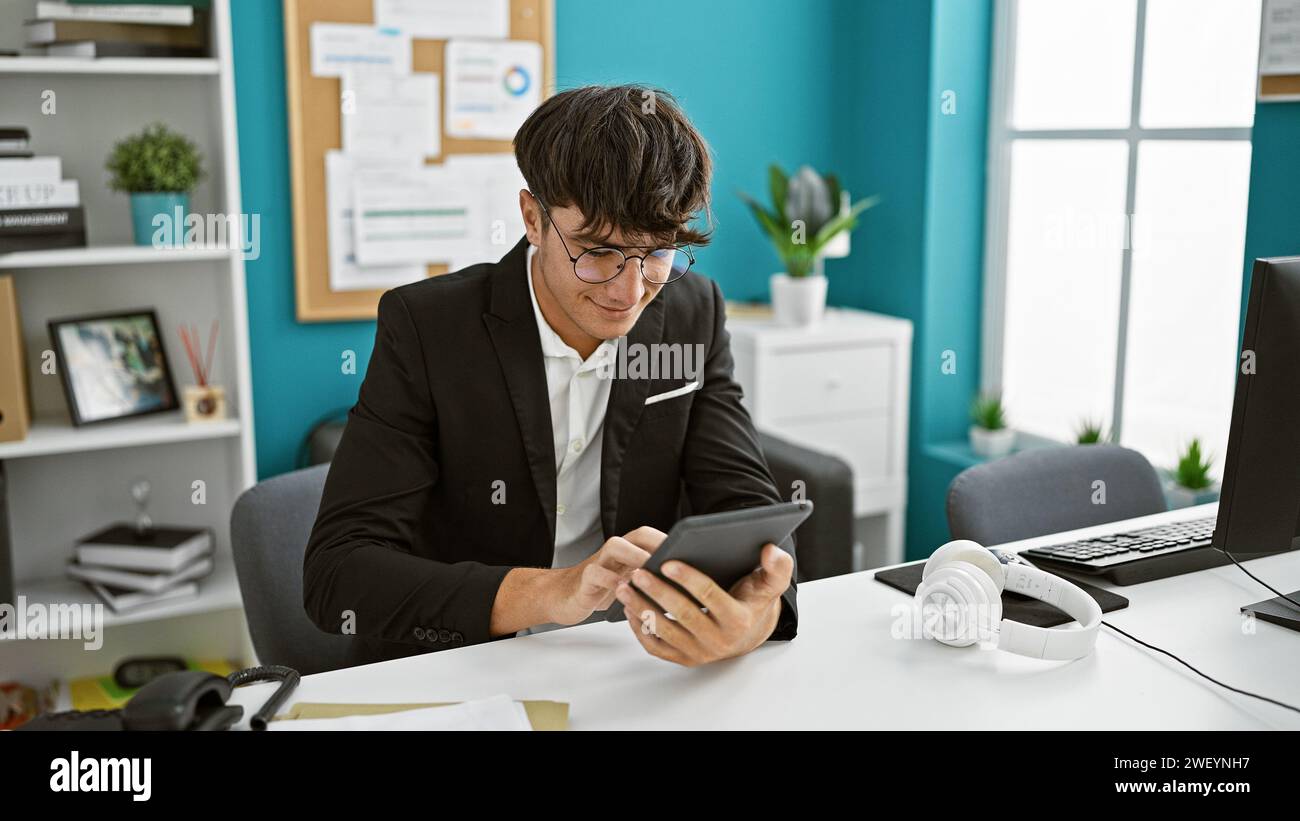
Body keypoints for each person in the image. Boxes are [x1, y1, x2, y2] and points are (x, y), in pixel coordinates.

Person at [304, 84, 797, 668]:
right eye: (597, 251)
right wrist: (556, 591)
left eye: (658, 251)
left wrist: (753, 618)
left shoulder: (694, 312)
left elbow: (747, 508)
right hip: (463, 661)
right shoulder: (428, 327)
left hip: (630, 662)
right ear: (533, 218)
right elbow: (338, 573)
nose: (630, 291)